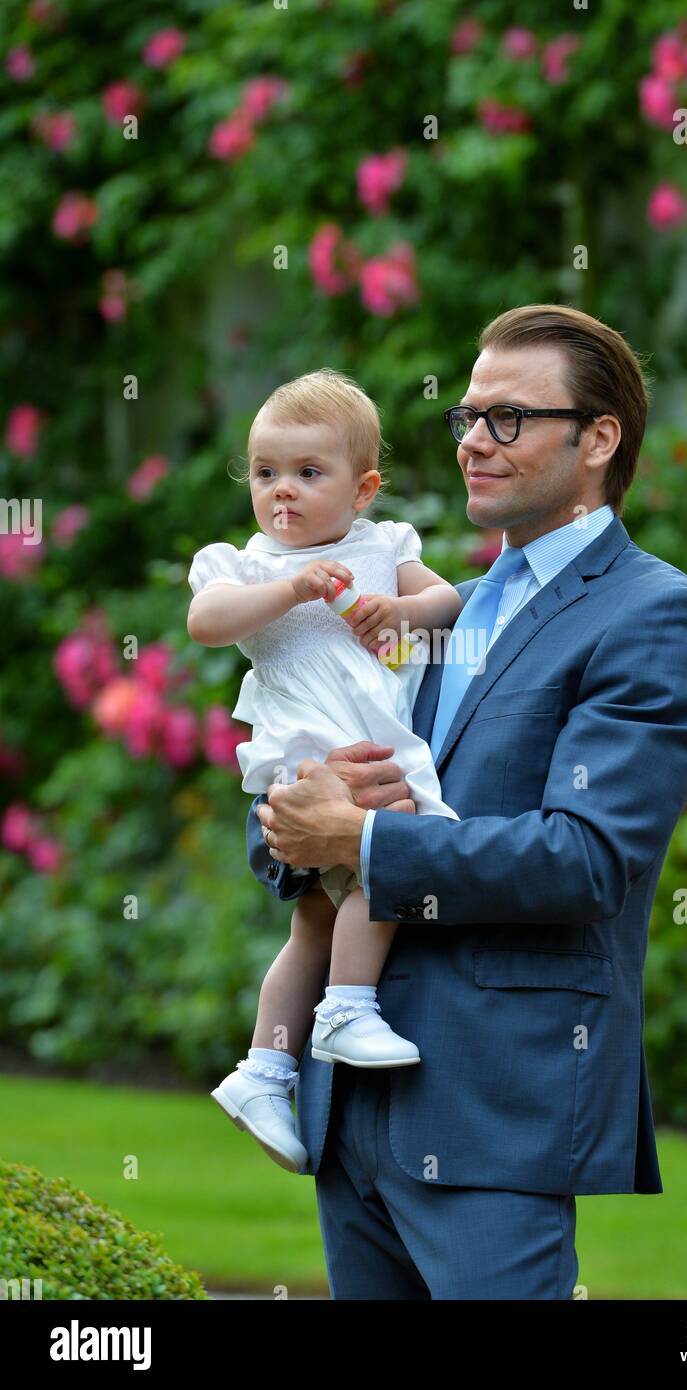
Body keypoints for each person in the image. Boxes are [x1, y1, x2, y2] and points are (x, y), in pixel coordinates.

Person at [247, 303, 687, 1300]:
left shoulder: (658, 618)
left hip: (493, 1109)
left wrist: (367, 836)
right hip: (353, 1110)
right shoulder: (438, 607)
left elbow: (587, 859)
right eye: (468, 415)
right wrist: (297, 818)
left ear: (597, 438)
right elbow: (322, 818)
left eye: (507, 418)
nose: (473, 440)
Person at [188, 368, 463, 1173]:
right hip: (302, 758)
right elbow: (207, 624)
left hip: (373, 747)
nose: (282, 492)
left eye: (308, 474)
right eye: (266, 473)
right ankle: (345, 1007)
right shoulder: (242, 564)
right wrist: (288, 586)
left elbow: (449, 600)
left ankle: (264, 1068)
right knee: (388, 848)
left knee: (316, 918)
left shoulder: (384, 549)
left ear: (364, 487)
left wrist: (402, 613)